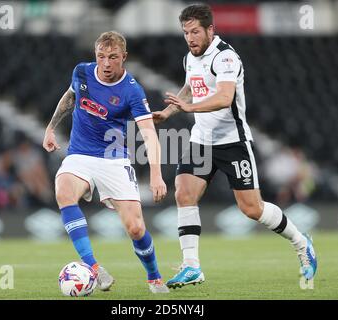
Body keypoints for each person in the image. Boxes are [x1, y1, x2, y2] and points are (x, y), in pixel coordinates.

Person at [153, 4, 317, 288]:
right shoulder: (190, 58)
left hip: (232, 143)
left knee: (252, 209)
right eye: (185, 32)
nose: (190, 38)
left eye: (195, 32)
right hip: (201, 140)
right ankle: (192, 266)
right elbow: (191, 85)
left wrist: (189, 107)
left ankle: (302, 244)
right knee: (184, 192)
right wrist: (170, 112)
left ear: (210, 30)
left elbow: (225, 97)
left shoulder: (225, 57)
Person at [43, 31, 169, 293]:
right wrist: (51, 128)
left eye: (113, 57)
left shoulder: (132, 90)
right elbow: (70, 97)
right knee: (64, 192)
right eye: (101, 56)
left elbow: (149, 134)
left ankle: (154, 276)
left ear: (124, 57)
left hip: (114, 159)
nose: (107, 63)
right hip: (79, 154)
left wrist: (156, 174)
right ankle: (94, 268)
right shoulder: (82, 72)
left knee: (135, 228)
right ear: (95, 56)